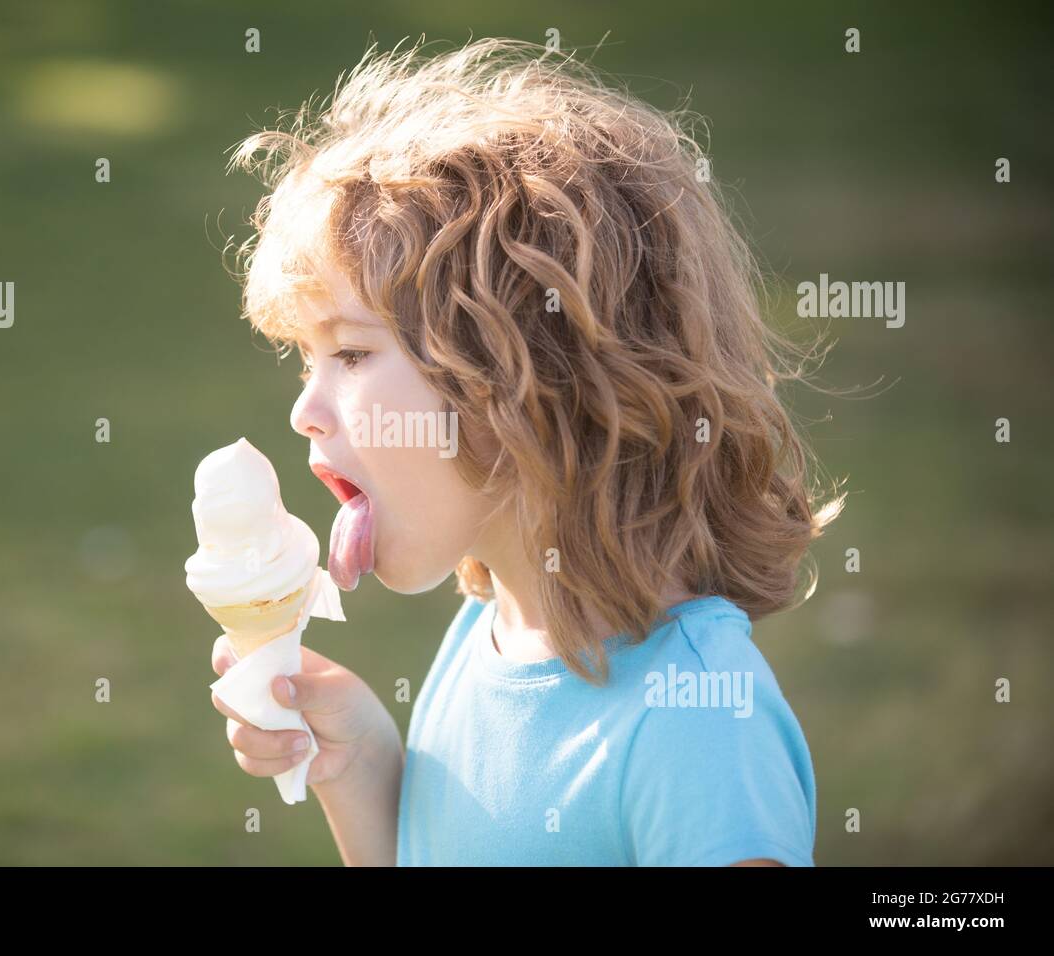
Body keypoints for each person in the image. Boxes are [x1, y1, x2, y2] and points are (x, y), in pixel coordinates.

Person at [209, 36, 843, 866]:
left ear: (528, 382)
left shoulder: (696, 720)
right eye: (305, 360)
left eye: (353, 354)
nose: (303, 412)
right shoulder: (485, 634)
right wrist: (361, 765)